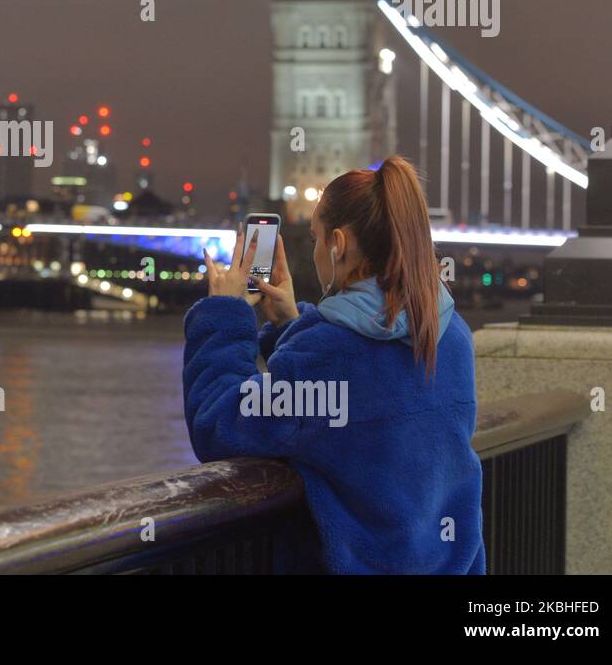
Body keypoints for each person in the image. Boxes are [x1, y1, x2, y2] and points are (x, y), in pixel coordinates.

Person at [182, 156, 485, 574]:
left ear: (338, 243)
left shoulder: (330, 352)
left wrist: (226, 313)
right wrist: (291, 322)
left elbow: (218, 423)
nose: (317, 250)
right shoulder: (450, 335)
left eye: (315, 238)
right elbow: (341, 404)